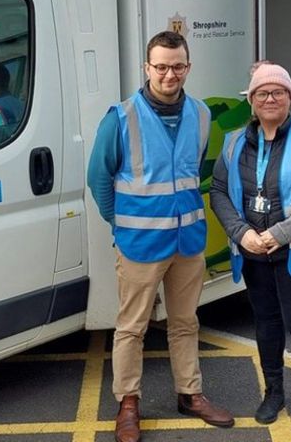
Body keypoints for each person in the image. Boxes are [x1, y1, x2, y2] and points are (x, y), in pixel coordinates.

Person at [87, 30, 233, 442]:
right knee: (131, 327)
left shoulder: (202, 114)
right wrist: (120, 224)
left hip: (187, 241)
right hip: (139, 244)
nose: (170, 74)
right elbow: (98, 177)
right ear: (147, 68)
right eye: (162, 66)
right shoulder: (121, 117)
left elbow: (192, 173)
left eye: (178, 66)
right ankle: (128, 403)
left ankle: (190, 394)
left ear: (188, 67)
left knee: (185, 322)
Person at [210, 61, 291, 432]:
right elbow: (219, 191)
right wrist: (240, 232)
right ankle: (274, 392)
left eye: (278, 92)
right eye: (262, 93)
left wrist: (280, 233)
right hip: (254, 250)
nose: (271, 98)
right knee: (266, 324)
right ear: (251, 100)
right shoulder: (235, 141)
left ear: (289, 98)